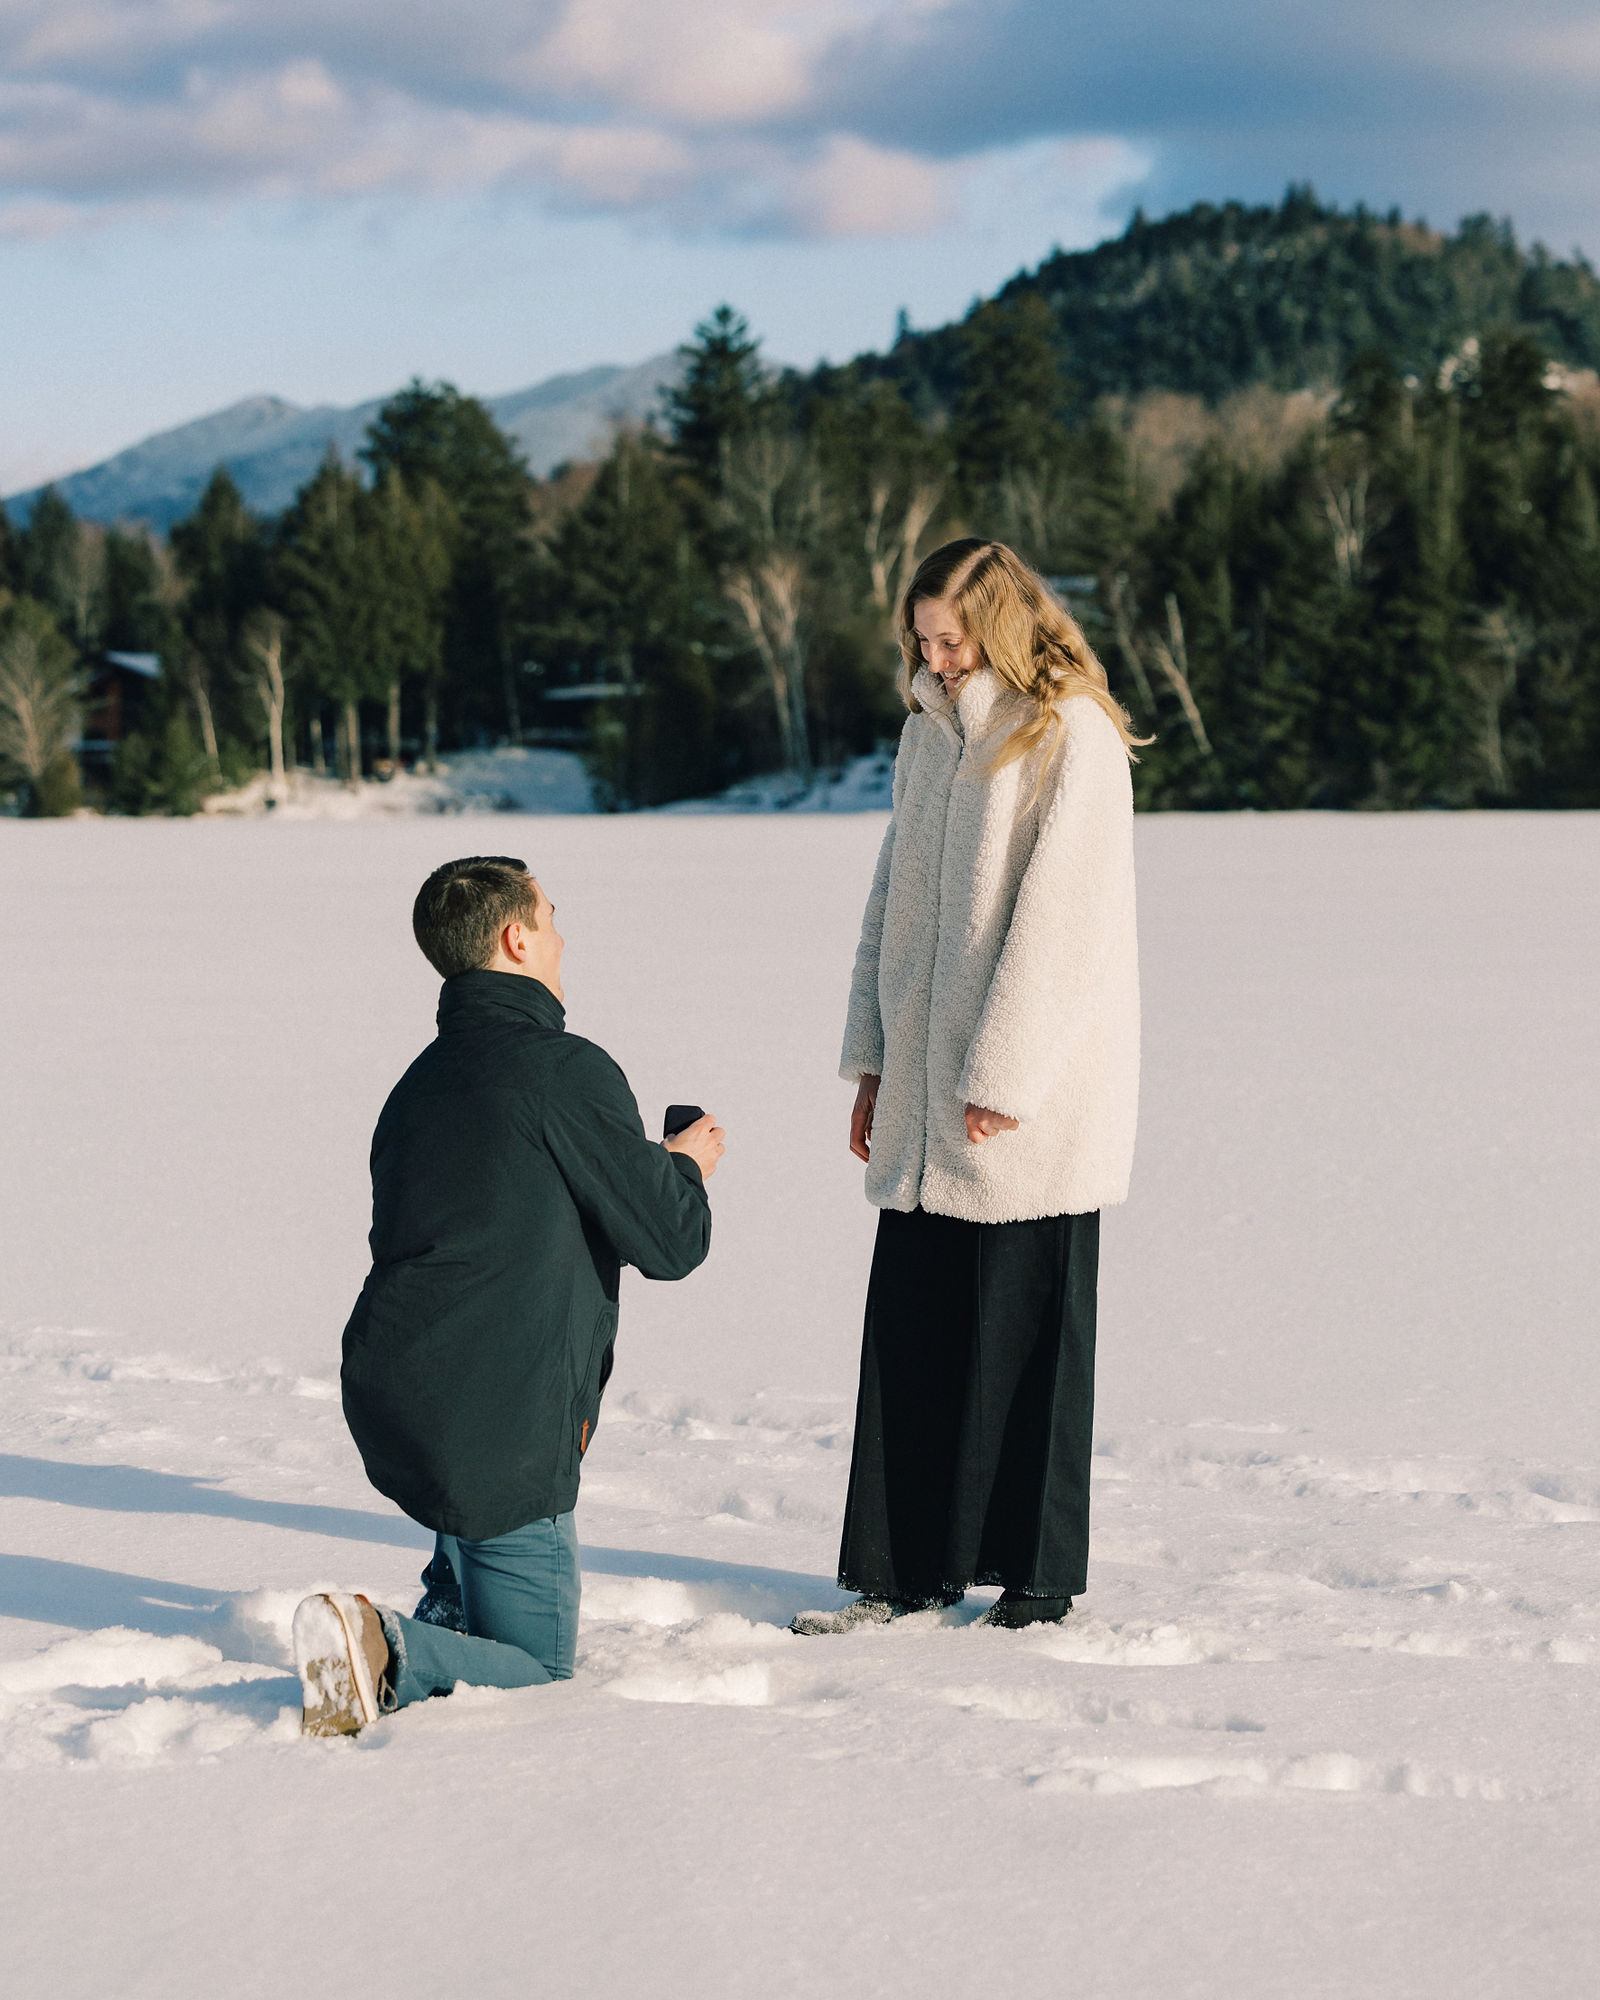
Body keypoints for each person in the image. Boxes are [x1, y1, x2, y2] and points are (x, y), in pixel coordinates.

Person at [292, 855, 725, 1736]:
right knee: (539, 1672)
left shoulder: (416, 1085)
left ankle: (444, 1607)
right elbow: (671, 1241)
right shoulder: (561, 1069)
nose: (564, 936)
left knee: (473, 1531)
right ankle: (382, 1648)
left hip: (405, 1391)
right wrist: (683, 1168)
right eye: (553, 917)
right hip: (504, 1420)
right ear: (515, 936)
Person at [795, 539, 1142, 1637]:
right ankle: (901, 1571)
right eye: (921, 641)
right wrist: (874, 1057)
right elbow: (889, 899)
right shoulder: (926, 735)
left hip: (1025, 1099)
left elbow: (1064, 921)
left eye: (949, 639)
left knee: (1032, 1333)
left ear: (997, 624)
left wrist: (1005, 1072)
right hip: (922, 1090)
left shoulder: (1068, 733)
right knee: (914, 1328)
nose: (933, 658)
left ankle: (1034, 1582)